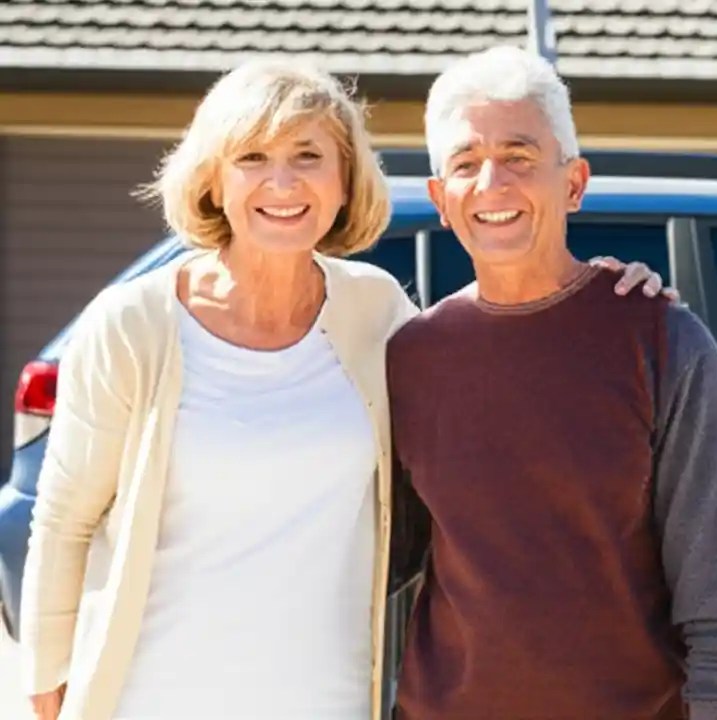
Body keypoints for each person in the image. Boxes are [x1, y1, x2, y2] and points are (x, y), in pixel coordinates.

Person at [20, 59, 668, 720]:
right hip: (151, 697)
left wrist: (596, 296)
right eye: (252, 156)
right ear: (213, 180)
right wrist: (48, 684)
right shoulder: (133, 324)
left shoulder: (374, 311)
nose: (282, 182)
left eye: (308, 156)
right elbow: (64, 520)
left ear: (344, 181)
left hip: (325, 700)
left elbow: (491, 371)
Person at [387, 46, 717, 720]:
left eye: (521, 157)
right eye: (466, 164)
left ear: (575, 182)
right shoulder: (411, 357)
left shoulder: (663, 344)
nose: (493, 184)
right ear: (441, 199)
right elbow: (384, 570)